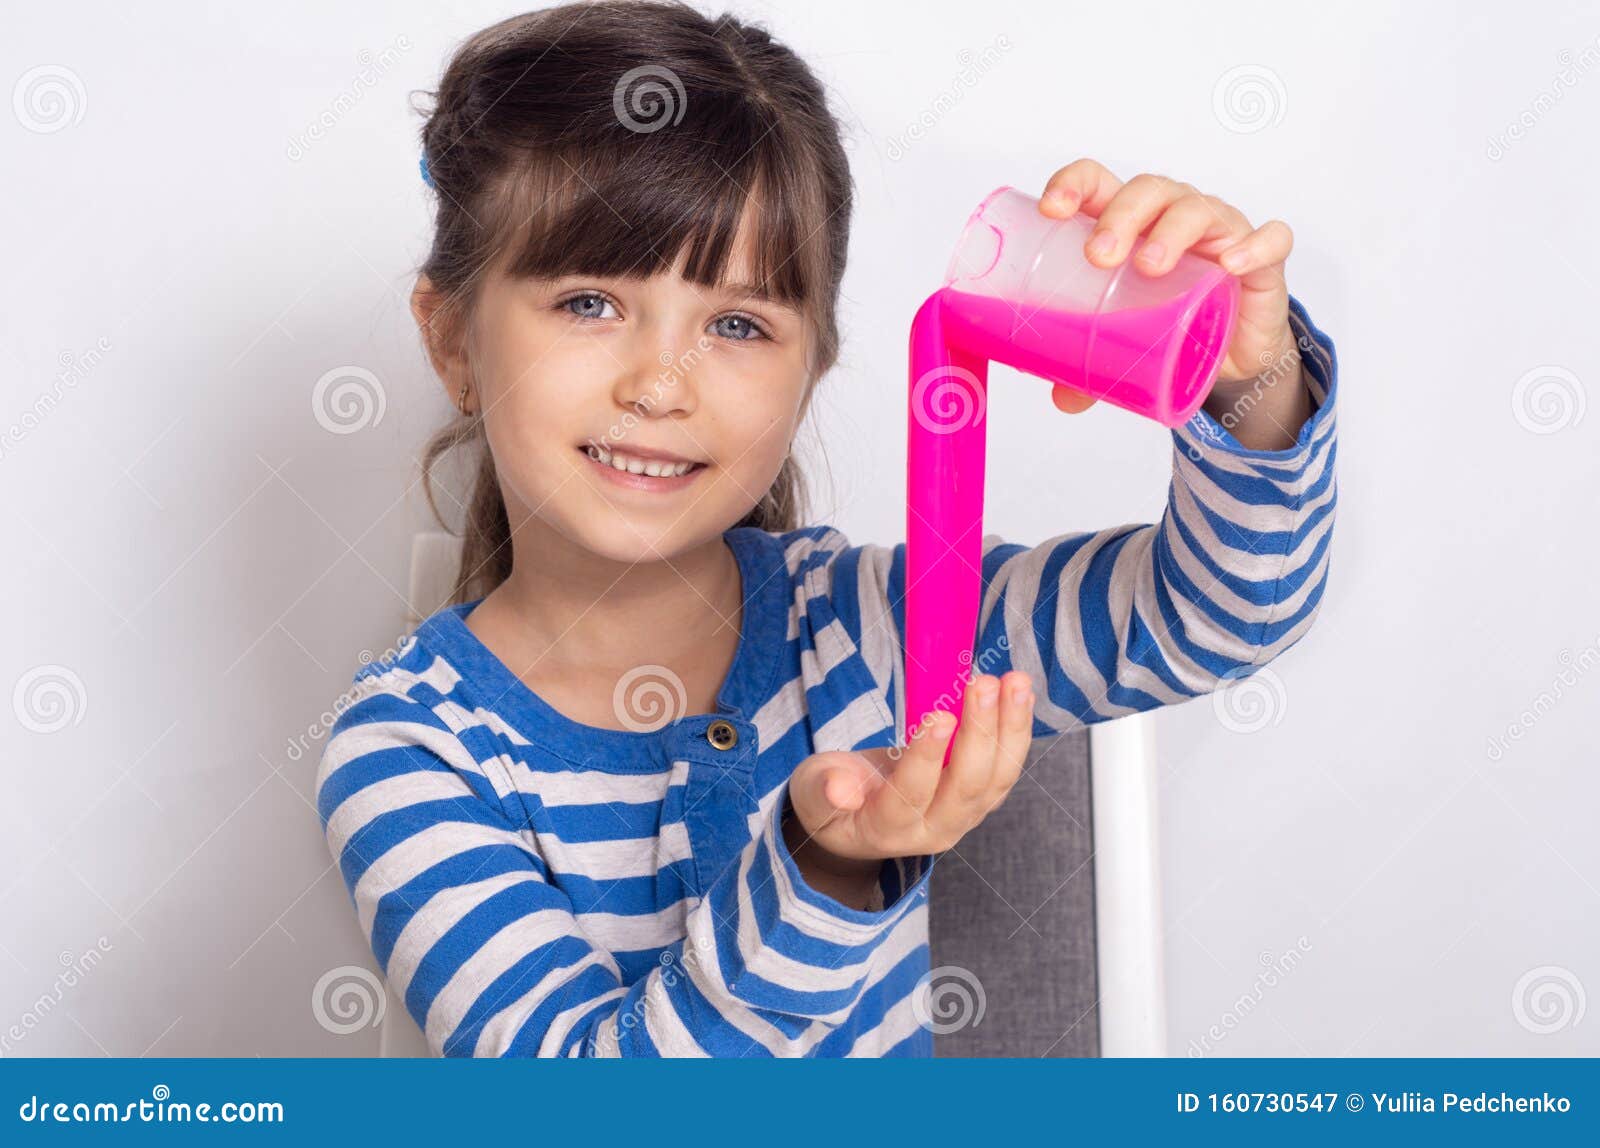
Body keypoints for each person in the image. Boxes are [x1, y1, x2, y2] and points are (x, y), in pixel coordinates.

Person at [314, 0, 1338, 1057]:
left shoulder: (886, 624)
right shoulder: (412, 749)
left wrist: (1247, 378)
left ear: (811, 373)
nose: (661, 385)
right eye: (587, 302)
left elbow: (1218, 614)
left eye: (738, 324)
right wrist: (821, 865)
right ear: (452, 344)